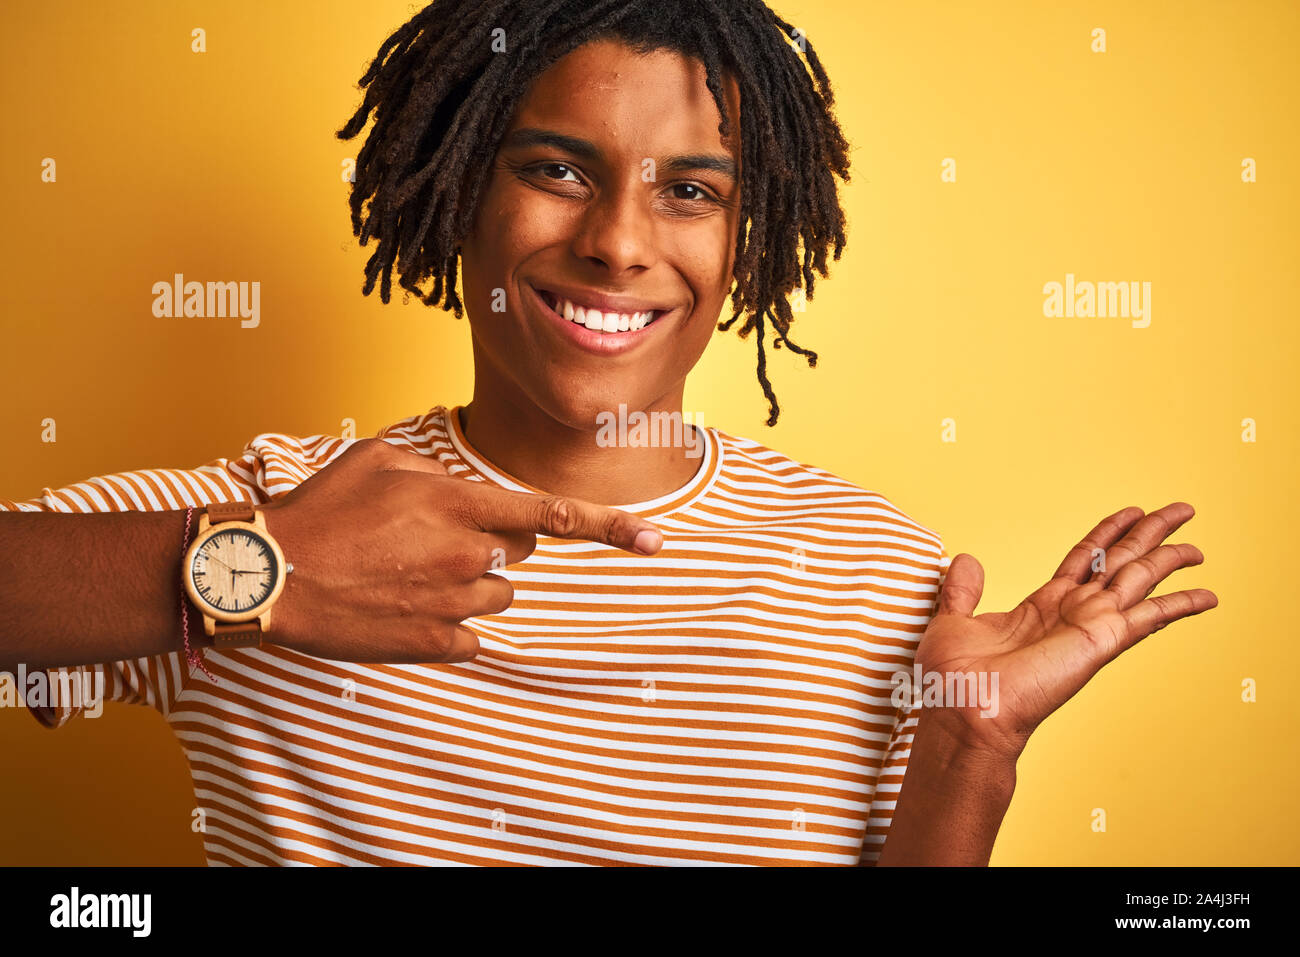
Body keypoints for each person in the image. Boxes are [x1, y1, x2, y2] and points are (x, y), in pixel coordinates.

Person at [0, 0, 1215, 866]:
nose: (620, 244)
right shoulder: (264, 514)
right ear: (459, 193)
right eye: (559, 170)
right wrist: (252, 572)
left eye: (690, 190)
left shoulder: (885, 578)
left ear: (746, 242)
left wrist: (971, 750)